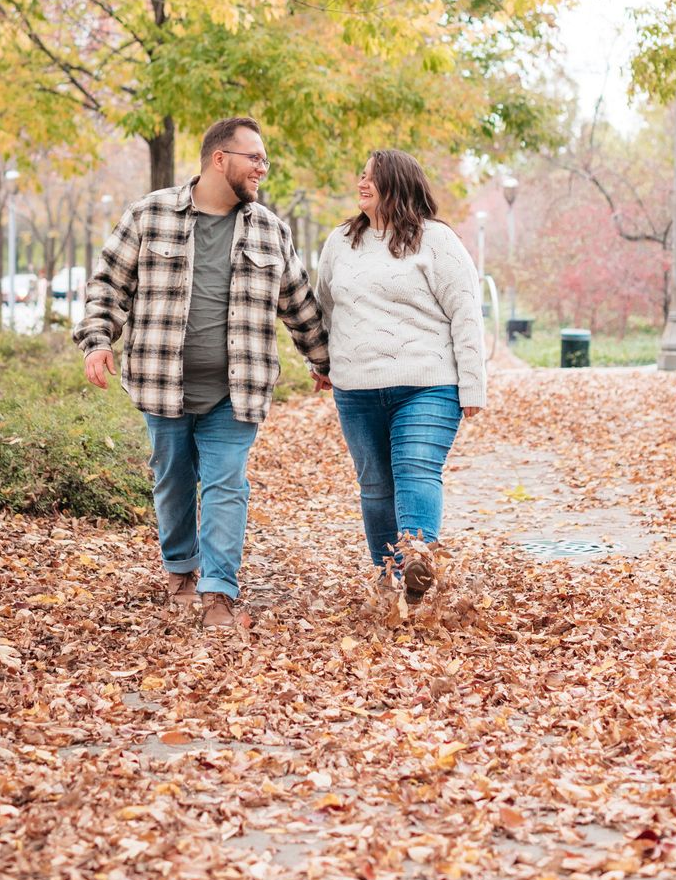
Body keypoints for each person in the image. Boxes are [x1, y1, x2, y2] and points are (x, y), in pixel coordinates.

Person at [74, 118, 330, 629]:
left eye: (265, 159)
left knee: (226, 483)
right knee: (171, 481)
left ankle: (218, 591)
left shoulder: (270, 229)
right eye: (254, 157)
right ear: (219, 159)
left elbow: (299, 303)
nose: (263, 167)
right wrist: (98, 341)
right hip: (161, 382)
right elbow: (108, 285)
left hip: (237, 389)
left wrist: (323, 362)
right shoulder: (151, 215)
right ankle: (181, 571)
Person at [316, 149, 485, 599]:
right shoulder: (340, 242)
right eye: (361, 174)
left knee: (414, 469)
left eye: (372, 176)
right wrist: (321, 364)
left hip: (428, 385)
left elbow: (466, 314)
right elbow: (326, 310)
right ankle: (390, 580)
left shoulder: (437, 241)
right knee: (375, 485)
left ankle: (416, 561)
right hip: (355, 388)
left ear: (397, 183)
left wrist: (473, 384)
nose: (361, 183)